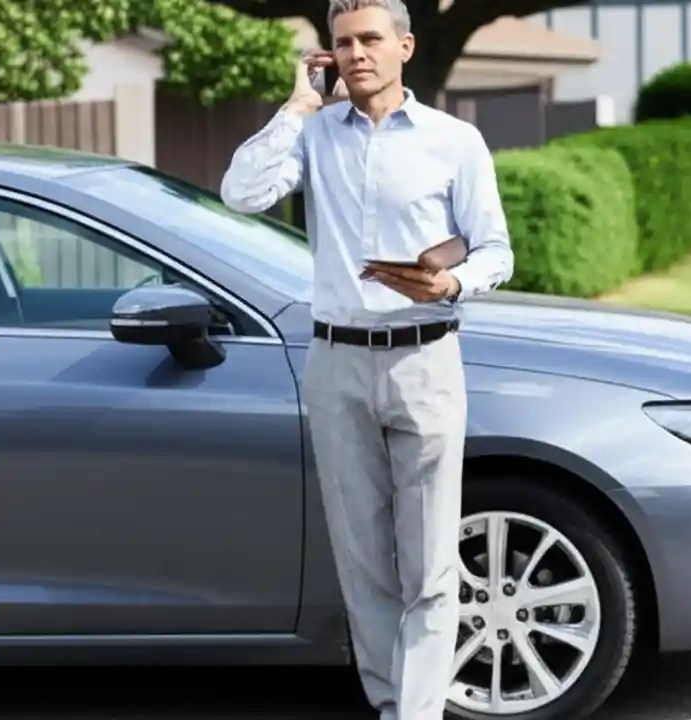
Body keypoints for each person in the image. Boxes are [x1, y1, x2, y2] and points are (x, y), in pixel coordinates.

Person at [220, 1, 513, 717]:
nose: (356, 54)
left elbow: (495, 250)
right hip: (338, 363)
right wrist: (294, 105)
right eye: (343, 42)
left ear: (405, 47)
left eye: (370, 40)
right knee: (362, 562)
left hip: (425, 358)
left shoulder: (455, 141)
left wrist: (452, 281)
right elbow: (242, 192)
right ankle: (393, 705)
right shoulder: (314, 135)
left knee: (430, 564)